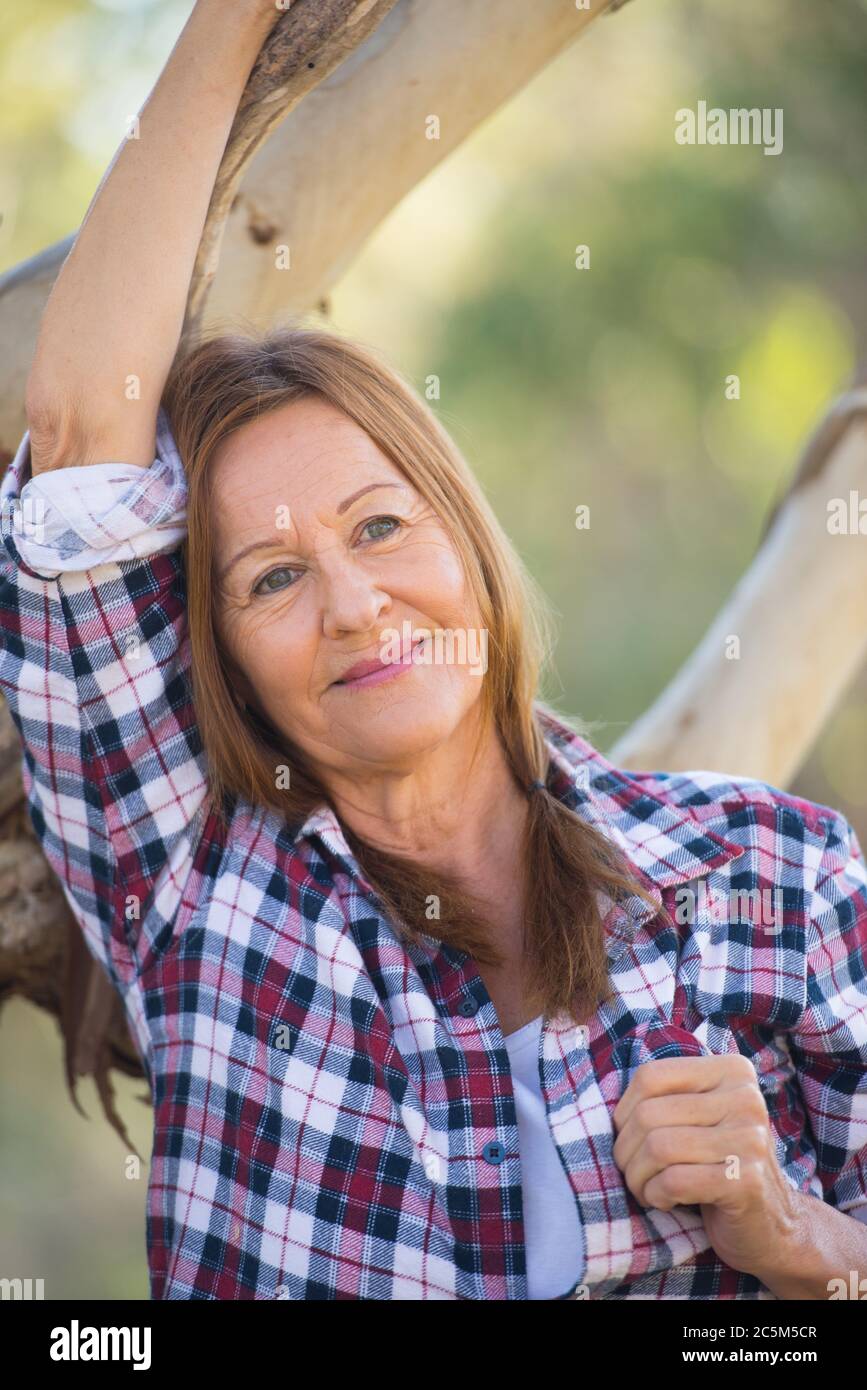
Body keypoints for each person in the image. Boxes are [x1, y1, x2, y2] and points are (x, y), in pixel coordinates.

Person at [2, 0, 866, 1301]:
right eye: (275, 576)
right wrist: (232, 19)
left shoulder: (780, 873)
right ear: (224, 663)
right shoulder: (195, 882)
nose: (352, 603)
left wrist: (799, 1240)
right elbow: (80, 441)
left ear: (468, 539)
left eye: (381, 525)